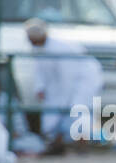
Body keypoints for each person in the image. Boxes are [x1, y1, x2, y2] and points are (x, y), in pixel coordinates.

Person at [25, 18, 103, 155]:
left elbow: (68, 78)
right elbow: (40, 72)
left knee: (78, 108)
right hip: (63, 84)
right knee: (55, 111)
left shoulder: (59, 48)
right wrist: (40, 88)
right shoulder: (39, 50)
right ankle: (58, 144)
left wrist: (62, 102)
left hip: (84, 79)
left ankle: (82, 145)